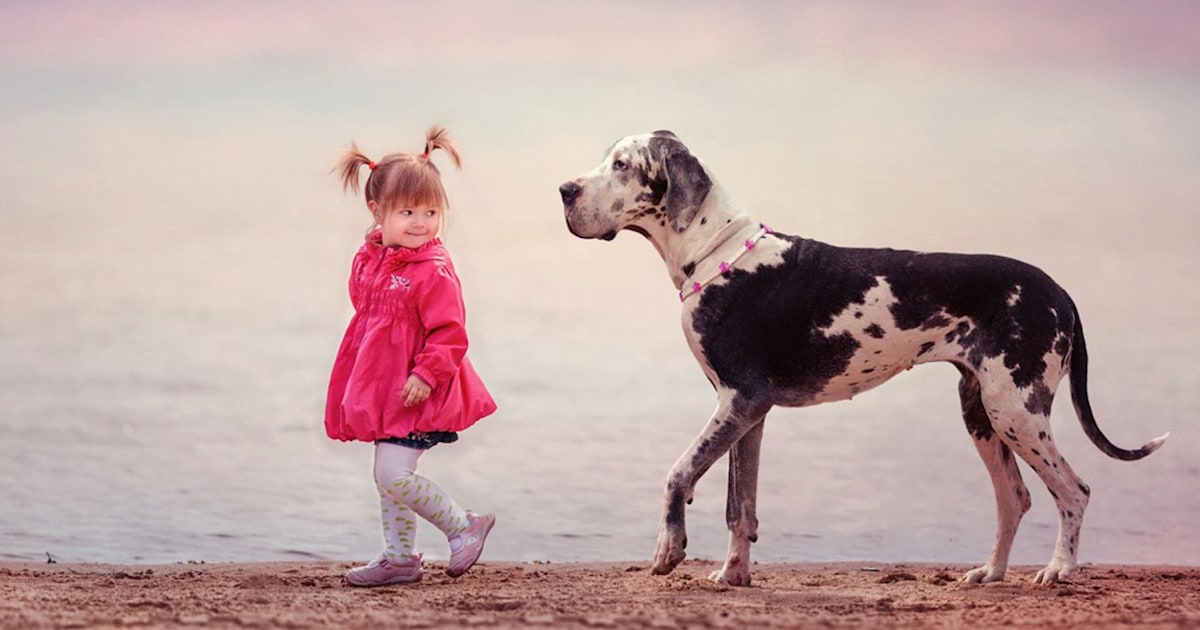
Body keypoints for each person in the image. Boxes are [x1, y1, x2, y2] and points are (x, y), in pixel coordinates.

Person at [326, 126, 497, 586]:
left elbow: (450, 332)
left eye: (431, 212)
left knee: (392, 472)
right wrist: (378, 250)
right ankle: (399, 558)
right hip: (384, 385)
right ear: (377, 212)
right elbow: (366, 307)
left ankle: (464, 526)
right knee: (388, 474)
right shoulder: (373, 257)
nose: (421, 222)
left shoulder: (434, 270)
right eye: (406, 212)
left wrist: (426, 373)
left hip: (419, 388)